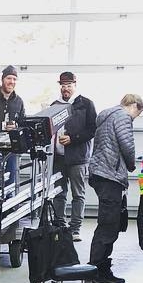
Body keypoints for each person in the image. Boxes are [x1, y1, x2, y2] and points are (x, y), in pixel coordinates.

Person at [87, 93, 143, 283]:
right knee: (108, 226)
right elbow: (127, 144)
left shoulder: (107, 115)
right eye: (137, 115)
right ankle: (95, 272)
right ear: (135, 106)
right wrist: (131, 165)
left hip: (101, 173)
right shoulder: (122, 116)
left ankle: (102, 270)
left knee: (109, 224)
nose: (134, 119)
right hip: (110, 175)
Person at [48, 71, 97, 241]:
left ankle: (75, 229)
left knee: (78, 195)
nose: (66, 88)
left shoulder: (86, 104)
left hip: (78, 158)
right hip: (58, 158)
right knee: (59, 194)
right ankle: (59, 227)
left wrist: (73, 138)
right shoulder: (54, 105)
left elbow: (92, 130)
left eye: (69, 85)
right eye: (63, 85)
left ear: (75, 85)